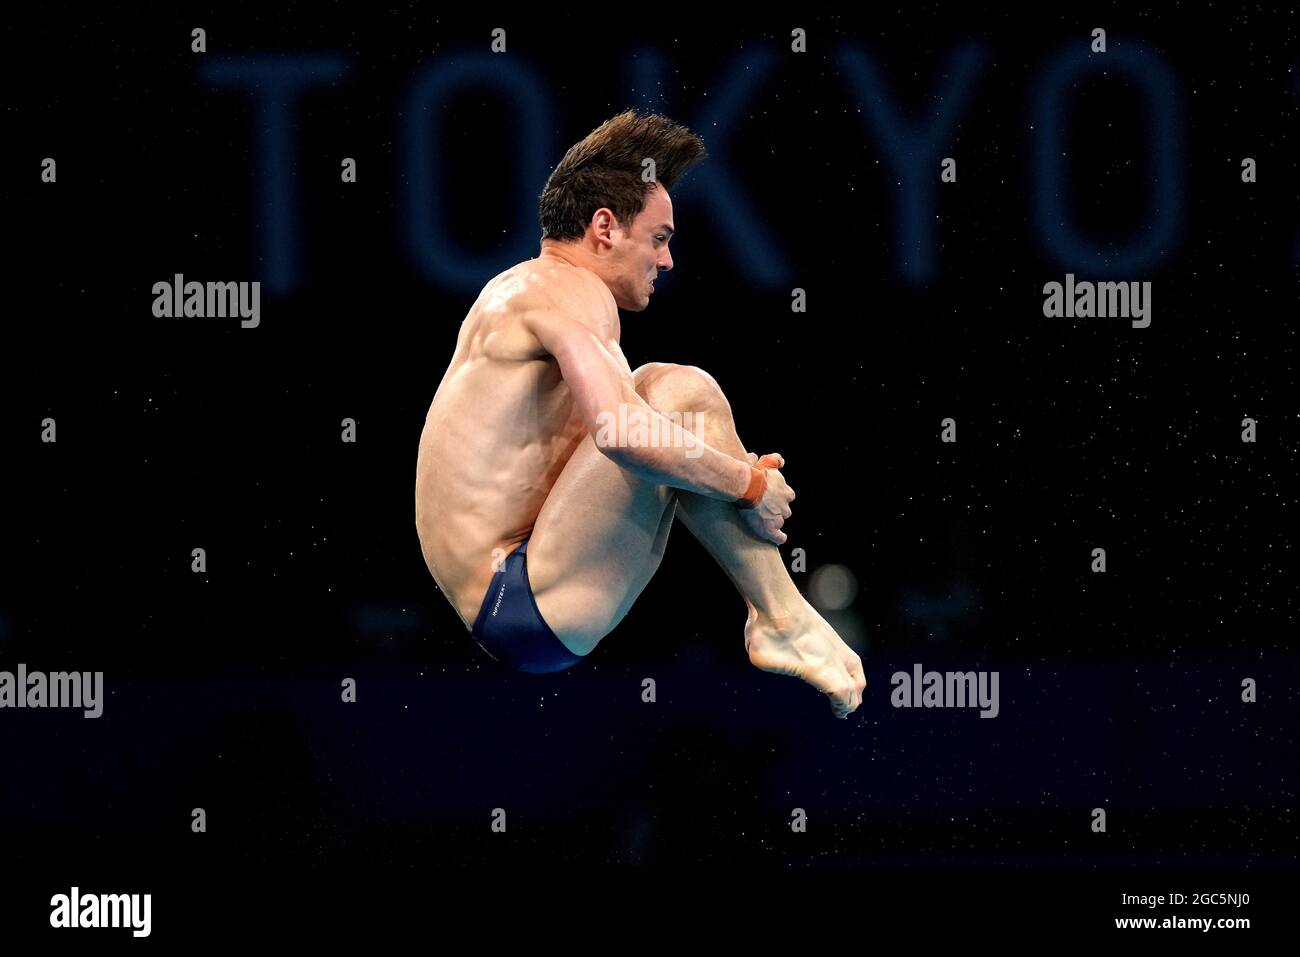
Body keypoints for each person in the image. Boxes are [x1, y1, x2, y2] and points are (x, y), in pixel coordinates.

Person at [415, 110, 865, 718]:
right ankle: (782, 617)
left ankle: (782, 617)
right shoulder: (566, 292)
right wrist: (750, 483)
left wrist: (725, 469)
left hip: (517, 602)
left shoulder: (526, 290)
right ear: (604, 228)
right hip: (521, 595)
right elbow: (621, 433)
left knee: (672, 410)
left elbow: (627, 435)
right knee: (675, 392)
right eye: (659, 237)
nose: (669, 259)